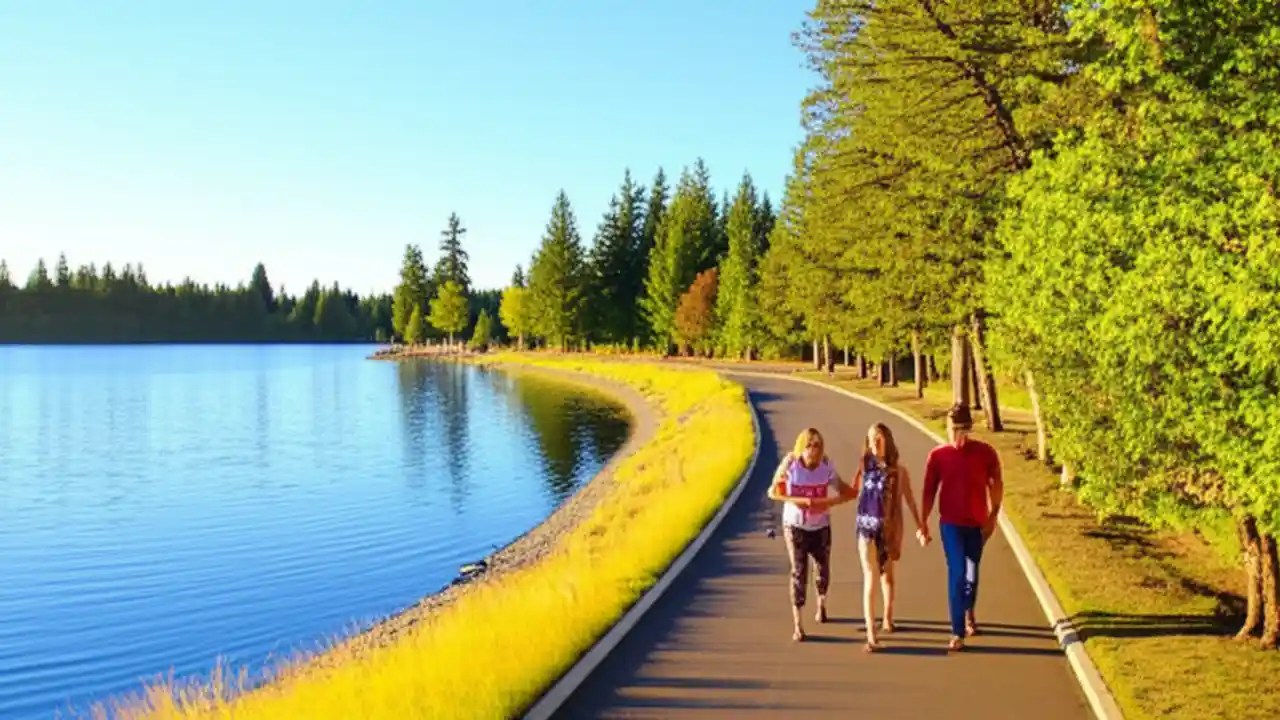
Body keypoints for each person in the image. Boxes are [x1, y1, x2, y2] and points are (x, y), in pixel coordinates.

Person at [920, 404, 1004, 651]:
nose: (956, 436)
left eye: (961, 430)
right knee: (957, 572)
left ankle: (969, 611)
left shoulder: (985, 453)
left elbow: (996, 486)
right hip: (951, 524)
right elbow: (928, 491)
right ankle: (957, 631)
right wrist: (923, 522)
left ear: (969, 429)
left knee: (971, 573)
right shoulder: (938, 456)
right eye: (952, 429)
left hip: (976, 524)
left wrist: (993, 516)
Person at [767, 427, 856, 641]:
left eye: (817, 445)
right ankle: (798, 624)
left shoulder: (826, 466)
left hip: (820, 526)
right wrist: (799, 501)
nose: (812, 450)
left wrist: (834, 500)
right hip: (795, 526)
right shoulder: (790, 464)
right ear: (801, 447)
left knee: (823, 569)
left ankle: (821, 603)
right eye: (808, 445)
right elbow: (774, 492)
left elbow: (843, 489)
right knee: (799, 572)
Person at [852, 422, 927, 652]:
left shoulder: (899, 472)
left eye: (879, 438)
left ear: (887, 440)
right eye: (871, 438)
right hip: (866, 530)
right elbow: (852, 490)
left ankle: (887, 616)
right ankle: (871, 635)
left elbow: (910, 500)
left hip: (889, 530)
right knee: (870, 578)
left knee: (888, 577)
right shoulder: (864, 466)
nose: (875, 443)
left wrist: (921, 526)